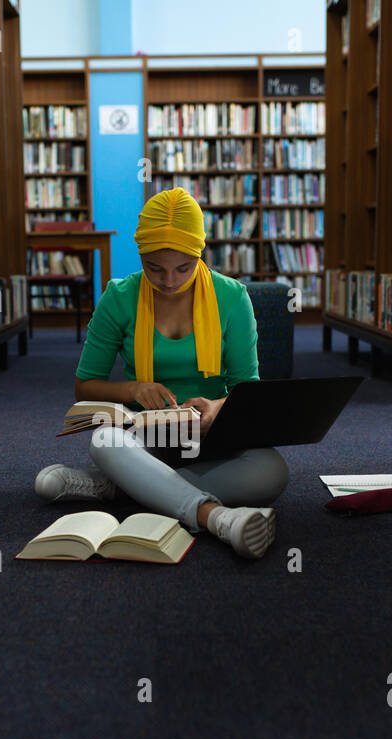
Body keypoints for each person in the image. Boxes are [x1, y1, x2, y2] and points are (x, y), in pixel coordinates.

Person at [33, 187, 289, 559]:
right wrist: (134, 390)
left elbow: (246, 389)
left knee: (273, 471)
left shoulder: (232, 297)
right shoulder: (118, 297)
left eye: (183, 267)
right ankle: (216, 518)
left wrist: (218, 407)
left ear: (200, 255)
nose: (169, 280)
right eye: (155, 268)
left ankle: (120, 488)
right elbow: (84, 387)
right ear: (141, 257)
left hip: (212, 436)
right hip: (146, 438)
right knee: (104, 441)